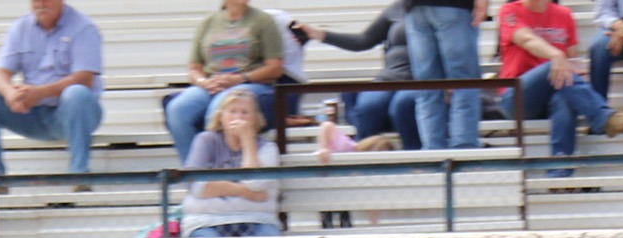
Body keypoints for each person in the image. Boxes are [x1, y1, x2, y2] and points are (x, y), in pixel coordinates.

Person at [495, 0, 623, 176]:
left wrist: (573, 71)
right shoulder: (509, 11)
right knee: (554, 67)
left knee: (564, 96)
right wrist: (556, 55)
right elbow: (526, 39)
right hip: (516, 96)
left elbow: (573, 61)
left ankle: (559, 176)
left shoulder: (563, 15)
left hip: (552, 94)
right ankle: (604, 118)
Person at [0, 0, 104, 178]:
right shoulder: (20, 28)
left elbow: (84, 78)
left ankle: (79, 175)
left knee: (77, 93)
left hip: (70, 115)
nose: (41, 4)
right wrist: (10, 93)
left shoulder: (83, 27)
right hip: (31, 114)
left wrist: (40, 93)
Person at [180, 91, 282, 238]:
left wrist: (248, 142)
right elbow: (194, 184)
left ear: (256, 118)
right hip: (207, 219)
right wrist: (246, 193)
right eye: (232, 111)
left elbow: (256, 183)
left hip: (256, 220)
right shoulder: (206, 140)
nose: (239, 118)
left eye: (245, 113)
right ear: (221, 116)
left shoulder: (268, 148)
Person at [165, 0, 285, 162]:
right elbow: (194, 68)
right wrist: (203, 82)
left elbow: (275, 68)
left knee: (220, 108)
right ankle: (193, 173)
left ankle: (223, 167)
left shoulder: (263, 21)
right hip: (211, 84)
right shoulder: (207, 23)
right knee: (177, 109)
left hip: (248, 82)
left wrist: (240, 78)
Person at [303, 1, 428, 150]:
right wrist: (319, 34)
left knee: (402, 106)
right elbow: (363, 40)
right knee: (369, 106)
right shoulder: (396, 9)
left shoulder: (441, 10)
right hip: (388, 80)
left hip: (419, 80)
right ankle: (361, 156)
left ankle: (413, 157)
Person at [406, 0, 486, 150]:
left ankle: (433, 151)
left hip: (415, 8)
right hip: (453, 6)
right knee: (464, 82)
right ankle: (463, 147)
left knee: (427, 86)